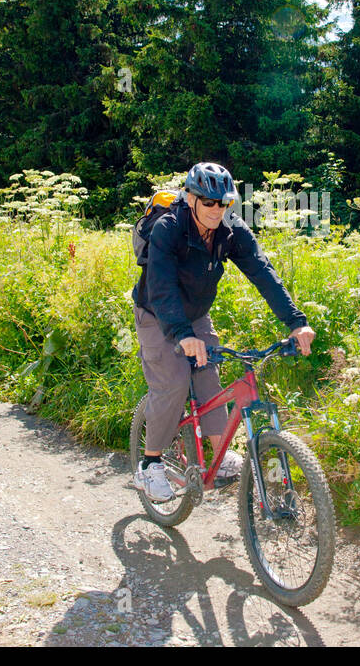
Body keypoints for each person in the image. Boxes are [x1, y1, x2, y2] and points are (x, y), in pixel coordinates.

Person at [131, 162, 315, 501]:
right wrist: (182, 333)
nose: (217, 209)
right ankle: (151, 463)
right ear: (190, 198)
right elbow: (160, 285)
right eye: (209, 201)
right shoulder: (169, 228)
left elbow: (261, 271)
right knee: (172, 382)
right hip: (158, 314)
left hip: (195, 315)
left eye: (224, 202)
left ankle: (221, 457)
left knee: (208, 377)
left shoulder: (231, 230)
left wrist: (295, 321)